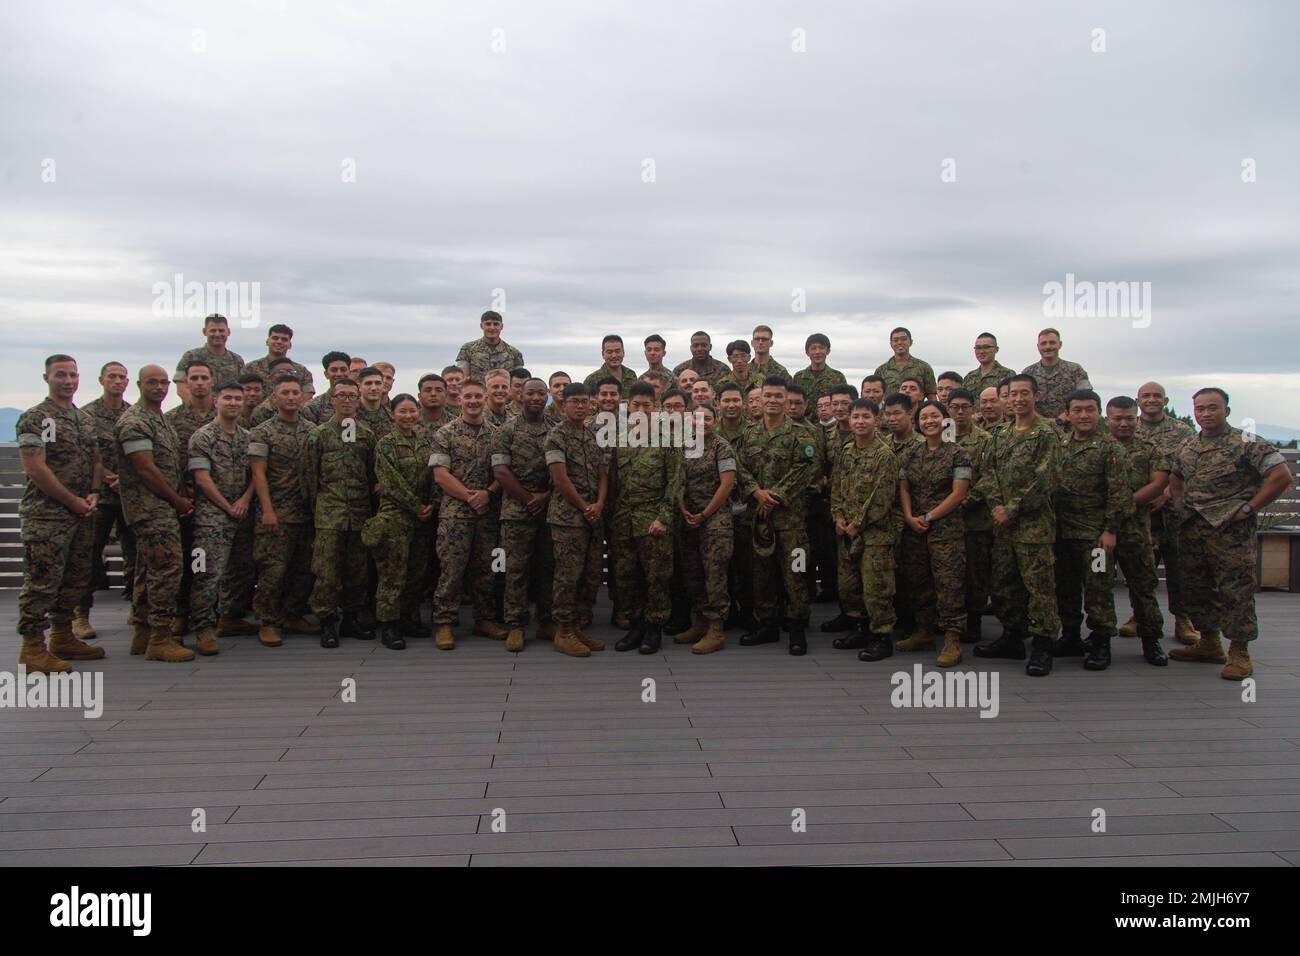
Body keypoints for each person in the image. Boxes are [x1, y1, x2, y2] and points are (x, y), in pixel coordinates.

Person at [1168, 387, 1294, 680]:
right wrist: (1178, 503)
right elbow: (1175, 475)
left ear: (1226, 410)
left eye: (1212, 408)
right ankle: (1209, 643)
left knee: (1235, 589)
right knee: (1197, 586)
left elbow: (1280, 476)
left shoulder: (1246, 442)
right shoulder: (1189, 445)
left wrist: (1249, 509)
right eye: (1200, 409)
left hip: (1230, 530)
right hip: (1193, 529)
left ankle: (1239, 651)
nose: (1205, 414)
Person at [15, 355, 104, 672]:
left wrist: (93, 493)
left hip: (82, 512)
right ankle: (32, 648)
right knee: (42, 582)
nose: (68, 381)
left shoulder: (84, 419)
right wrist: (70, 500)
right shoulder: (35, 418)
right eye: (61, 375)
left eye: (73, 375)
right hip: (47, 516)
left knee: (75, 578)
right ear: (46, 378)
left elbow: (96, 460)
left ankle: (63, 637)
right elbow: (35, 467)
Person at [974, 374, 1062, 676]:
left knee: (1039, 588)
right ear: (1006, 398)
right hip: (1002, 525)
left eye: (1025, 393)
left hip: (1033, 526)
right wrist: (997, 505)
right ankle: (1012, 636)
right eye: (1013, 394)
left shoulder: (1047, 433)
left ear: (1035, 396)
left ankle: (1042, 644)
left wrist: (1013, 508)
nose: (1018, 399)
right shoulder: (1000, 433)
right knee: (1004, 583)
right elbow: (987, 472)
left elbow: (1046, 478)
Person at [116, 364, 194, 661]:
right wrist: (177, 500)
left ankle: (142, 633)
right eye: (152, 382)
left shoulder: (159, 419)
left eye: (163, 382)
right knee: (166, 570)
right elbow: (146, 469)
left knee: (147, 569)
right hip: (149, 508)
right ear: (139, 384)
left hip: (160, 508)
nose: (159, 387)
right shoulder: (136, 421)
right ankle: (160, 637)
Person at [735, 377, 817, 655]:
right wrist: (756, 493)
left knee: (796, 572)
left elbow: (804, 470)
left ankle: (796, 626)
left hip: (791, 520)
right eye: (767, 395)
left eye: (778, 396)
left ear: (786, 399)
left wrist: (775, 496)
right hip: (759, 519)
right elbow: (740, 468)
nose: (772, 401)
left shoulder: (801, 434)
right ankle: (767, 624)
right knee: (762, 573)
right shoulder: (749, 433)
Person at [1051, 389, 1127, 670]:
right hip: (1061, 532)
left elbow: (1119, 495)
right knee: (1065, 586)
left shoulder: (1110, 448)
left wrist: (1110, 530)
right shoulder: (1059, 444)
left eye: (1090, 409)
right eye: (1078, 410)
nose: (1084, 415)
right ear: (1067, 414)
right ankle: (1070, 636)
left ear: (1098, 413)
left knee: (1098, 589)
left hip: (1095, 535)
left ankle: (1101, 642)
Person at [430, 378, 506, 649]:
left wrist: (488, 493)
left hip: (487, 512)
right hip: (455, 514)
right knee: (452, 569)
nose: (473, 401)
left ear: (485, 398)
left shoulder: (497, 433)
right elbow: (440, 475)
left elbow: (504, 471)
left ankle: (484, 619)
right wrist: (470, 497)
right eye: (468, 397)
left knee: (486, 569)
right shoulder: (445, 433)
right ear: (459, 399)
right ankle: (445, 622)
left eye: (477, 396)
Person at [300, 378, 377, 647]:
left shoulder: (367, 435)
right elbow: (308, 477)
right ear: (332, 399)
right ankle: (327, 621)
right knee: (326, 571)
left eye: (351, 396)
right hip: (328, 515)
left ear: (358, 400)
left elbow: (371, 475)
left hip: (359, 513)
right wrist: (317, 509)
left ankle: (351, 618)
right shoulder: (318, 435)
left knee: (357, 570)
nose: (346, 400)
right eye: (341, 395)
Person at [897, 399, 971, 666]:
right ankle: (924, 632)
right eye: (924, 417)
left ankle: (952, 640)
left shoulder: (957, 453)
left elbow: (959, 492)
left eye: (934, 416)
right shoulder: (911, 453)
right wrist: (908, 516)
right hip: (915, 528)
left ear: (944, 419)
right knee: (919, 582)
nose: (928, 421)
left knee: (949, 584)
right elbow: (904, 487)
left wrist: (929, 516)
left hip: (945, 530)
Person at [247, 375, 320, 647]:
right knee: (272, 570)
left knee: (304, 569)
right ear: (274, 397)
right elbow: (258, 473)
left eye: (295, 393)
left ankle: (292, 614)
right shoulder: (262, 432)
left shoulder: (313, 430)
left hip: (306, 511)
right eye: (285, 393)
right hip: (276, 511)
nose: (291, 397)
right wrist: (267, 509)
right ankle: (267, 621)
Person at [610, 383, 682, 654]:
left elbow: (676, 483)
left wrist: (664, 518)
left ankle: (654, 628)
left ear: (657, 408)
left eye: (647, 405)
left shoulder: (668, 440)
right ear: (628, 407)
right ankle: (636, 625)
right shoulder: (620, 439)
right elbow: (615, 482)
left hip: (653, 519)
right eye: (636, 405)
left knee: (657, 577)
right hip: (624, 520)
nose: (641, 410)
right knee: (627, 575)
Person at [187, 381, 256, 655]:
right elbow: (202, 480)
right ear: (216, 400)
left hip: (242, 512)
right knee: (207, 573)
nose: (233, 403)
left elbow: (256, 477)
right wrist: (227, 506)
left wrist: (244, 500)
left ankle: (229, 617)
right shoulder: (202, 437)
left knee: (241, 570)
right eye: (228, 398)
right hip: (212, 518)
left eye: (238, 399)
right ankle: (203, 626)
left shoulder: (248, 438)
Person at [829, 399, 899, 661]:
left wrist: (857, 522)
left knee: (876, 588)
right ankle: (859, 627)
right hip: (846, 530)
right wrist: (838, 515)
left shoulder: (884, 454)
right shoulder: (846, 451)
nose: (859, 421)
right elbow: (836, 486)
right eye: (855, 416)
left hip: (874, 534)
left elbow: (882, 497)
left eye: (865, 417)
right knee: (849, 586)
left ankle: (881, 636)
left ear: (876, 420)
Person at [367, 394, 436, 649]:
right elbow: (390, 482)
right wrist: (416, 506)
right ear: (393, 414)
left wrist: (431, 504)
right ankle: (389, 624)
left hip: (422, 519)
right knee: (392, 574)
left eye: (411, 411)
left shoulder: (426, 440)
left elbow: (435, 474)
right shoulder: (386, 444)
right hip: (396, 517)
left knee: (416, 573)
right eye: (402, 411)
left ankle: (408, 617)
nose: (408, 416)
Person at [546, 382, 609, 657]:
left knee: (590, 574)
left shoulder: (594, 435)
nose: (581, 406)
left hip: (593, 516)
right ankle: (563, 631)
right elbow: (560, 479)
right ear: (564, 403)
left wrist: (599, 504)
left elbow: (603, 474)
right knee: (567, 576)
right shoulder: (555, 437)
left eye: (585, 401)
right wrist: (585, 506)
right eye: (575, 402)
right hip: (568, 518)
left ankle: (577, 626)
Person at [1105, 395, 1170, 665]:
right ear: (1107, 419)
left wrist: (1125, 503)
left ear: (1137, 418)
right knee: (1099, 585)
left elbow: (1158, 483)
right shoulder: (1096, 447)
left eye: (1129, 418)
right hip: (1102, 535)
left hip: (1135, 532)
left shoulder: (1149, 448)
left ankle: (1151, 639)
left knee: (1143, 585)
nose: (1123, 424)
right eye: (1117, 418)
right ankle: (1100, 638)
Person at [493, 378, 555, 652]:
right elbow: (500, 472)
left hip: (550, 509)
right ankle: (515, 625)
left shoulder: (556, 429)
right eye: (530, 393)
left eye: (541, 394)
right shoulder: (506, 430)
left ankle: (547, 621)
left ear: (547, 396)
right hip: (517, 511)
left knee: (548, 568)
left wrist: (545, 497)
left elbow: (565, 471)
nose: (535, 398)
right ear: (520, 395)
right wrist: (529, 499)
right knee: (515, 571)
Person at [75, 361, 135, 642]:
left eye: (122, 377)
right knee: (88, 554)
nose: (118, 382)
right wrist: (111, 477)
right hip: (99, 495)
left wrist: (126, 478)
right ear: (101, 380)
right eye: (112, 377)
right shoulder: (87, 415)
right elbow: (84, 454)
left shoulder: (133, 414)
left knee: (137, 554)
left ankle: (138, 608)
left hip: (130, 496)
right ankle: (80, 615)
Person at [1136, 381, 1199, 644]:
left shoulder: (1182, 431)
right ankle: (1140, 616)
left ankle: (1183, 620)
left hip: (1174, 511)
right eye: (1146, 396)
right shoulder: (1127, 427)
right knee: (1142, 567)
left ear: (1165, 400)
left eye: (1157, 396)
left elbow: (1191, 468)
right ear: (1137, 401)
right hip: (1142, 511)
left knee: (1178, 567)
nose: (1151, 400)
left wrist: (1167, 493)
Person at [674, 403, 735, 654]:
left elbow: (727, 484)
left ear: (716, 420)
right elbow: (676, 479)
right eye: (698, 418)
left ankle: (716, 628)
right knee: (692, 572)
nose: (703, 423)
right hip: (688, 518)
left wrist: (704, 514)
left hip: (714, 519)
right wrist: (682, 509)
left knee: (714, 573)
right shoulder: (684, 445)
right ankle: (700, 621)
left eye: (708, 418)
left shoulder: (722, 446)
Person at [166, 359, 217, 636]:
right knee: (186, 560)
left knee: (210, 565)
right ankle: (180, 614)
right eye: (194, 378)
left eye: (203, 378)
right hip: (185, 502)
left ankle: (209, 618)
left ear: (212, 382)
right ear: (186, 384)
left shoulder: (226, 415)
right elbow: (169, 463)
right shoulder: (172, 420)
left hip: (220, 504)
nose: (199, 383)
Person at [948, 388, 995, 642]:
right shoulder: (940, 437)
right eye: (954, 407)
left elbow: (989, 478)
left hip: (974, 519)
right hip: (945, 519)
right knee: (950, 572)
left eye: (965, 407)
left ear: (973, 408)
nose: (960, 412)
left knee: (976, 573)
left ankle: (974, 621)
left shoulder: (985, 440)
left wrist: (964, 502)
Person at [1021, 328, 1090, 424]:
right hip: (1036, 429)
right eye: (1043, 343)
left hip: (1070, 427)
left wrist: (1062, 418)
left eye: (1052, 342)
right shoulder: (1027, 373)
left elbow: (1085, 397)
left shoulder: (1075, 370)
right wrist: (1042, 421)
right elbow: (1022, 400)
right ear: (1038, 346)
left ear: (1060, 344)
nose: (1048, 347)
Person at [173, 313, 245, 405]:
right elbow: (181, 388)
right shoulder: (191, 357)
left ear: (228, 332)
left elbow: (241, 389)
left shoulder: (237, 360)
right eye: (213, 331)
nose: (217, 334)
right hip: (196, 413)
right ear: (204, 332)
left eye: (221, 330)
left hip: (227, 411)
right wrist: (197, 409)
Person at [243, 324, 315, 397]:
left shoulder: (302, 371)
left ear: (290, 345)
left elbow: (307, 395)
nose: (279, 342)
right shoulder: (251, 368)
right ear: (267, 341)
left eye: (284, 339)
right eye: (275, 338)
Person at [456, 310, 524, 378]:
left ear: (502, 326)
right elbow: (463, 379)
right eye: (488, 324)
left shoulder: (514, 353)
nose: (492, 328)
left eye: (496, 324)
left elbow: (519, 381)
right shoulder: (467, 349)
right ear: (481, 326)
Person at [874, 326, 936, 397]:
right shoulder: (881, 370)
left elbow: (932, 395)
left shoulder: (924, 367)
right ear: (891, 344)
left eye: (903, 339)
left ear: (911, 342)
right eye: (895, 340)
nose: (900, 342)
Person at [793, 333, 847, 407]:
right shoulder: (799, 377)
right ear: (807, 353)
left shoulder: (838, 377)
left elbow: (844, 401)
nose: (817, 352)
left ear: (828, 351)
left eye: (821, 348)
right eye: (813, 348)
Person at [963, 332, 1015, 400]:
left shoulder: (1008, 374)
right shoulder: (969, 377)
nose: (981, 351)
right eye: (978, 348)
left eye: (986, 347)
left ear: (996, 349)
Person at [355, 366, 394, 440]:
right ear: (359, 387)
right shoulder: (349, 415)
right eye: (368, 383)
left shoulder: (392, 416)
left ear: (383, 386)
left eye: (378, 383)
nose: (374, 388)